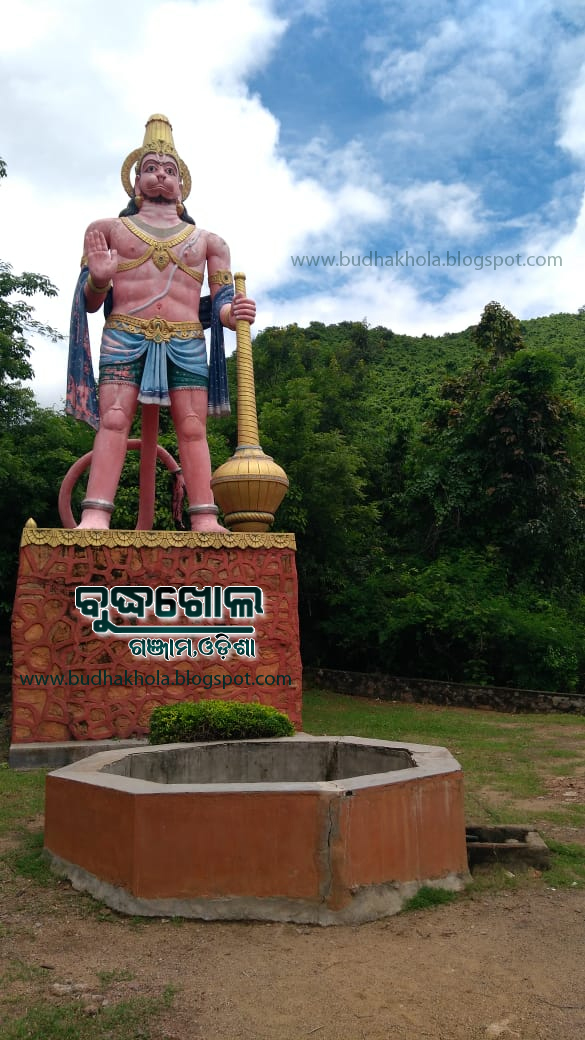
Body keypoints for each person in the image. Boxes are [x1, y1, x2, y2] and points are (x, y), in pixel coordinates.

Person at [66, 114, 255, 532]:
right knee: (114, 419)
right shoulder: (107, 230)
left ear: (182, 187)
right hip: (124, 331)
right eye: (150, 168)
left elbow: (222, 301)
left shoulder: (209, 241)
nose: (160, 177)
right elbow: (92, 303)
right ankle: (95, 514)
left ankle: (204, 517)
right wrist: (98, 279)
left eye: (169, 171)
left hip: (186, 337)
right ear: (135, 183)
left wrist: (233, 313)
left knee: (191, 427)